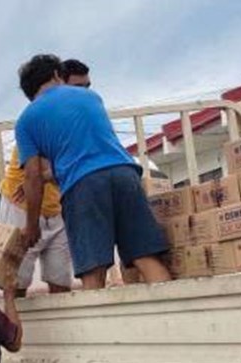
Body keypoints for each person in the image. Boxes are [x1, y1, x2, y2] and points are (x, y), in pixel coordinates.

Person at [15, 53, 170, 290]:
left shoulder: (26, 120)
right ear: (57, 75)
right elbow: (90, 148)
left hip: (83, 186)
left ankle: (98, 326)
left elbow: (32, 176)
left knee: (93, 269)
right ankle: (173, 319)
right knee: (146, 257)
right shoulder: (91, 98)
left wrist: (32, 225)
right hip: (125, 173)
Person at [0, 59, 94, 296]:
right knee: (16, 282)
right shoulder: (39, 118)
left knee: (61, 281)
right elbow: (39, 170)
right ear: (58, 82)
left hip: (56, 209)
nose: (82, 94)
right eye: (77, 88)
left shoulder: (81, 115)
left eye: (86, 88)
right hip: (23, 207)